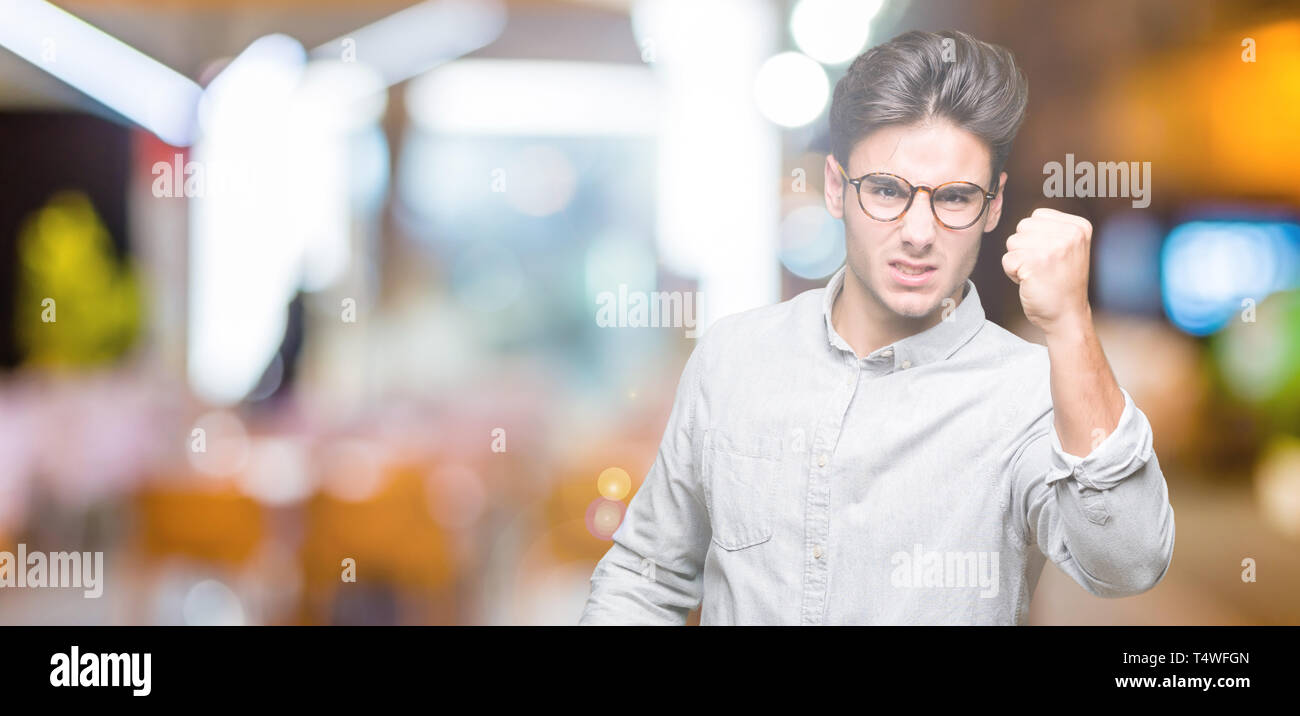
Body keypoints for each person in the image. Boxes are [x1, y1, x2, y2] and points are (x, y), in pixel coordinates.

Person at [579, 29, 1175, 625]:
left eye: (955, 197)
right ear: (837, 188)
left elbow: (1127, 563)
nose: (918, 232)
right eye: (887, 191)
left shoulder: (1031, 395)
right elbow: (644, 577)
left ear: (994, 205)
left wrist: (1071, 324)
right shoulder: (733, 358)